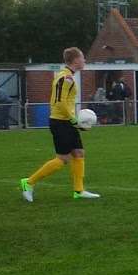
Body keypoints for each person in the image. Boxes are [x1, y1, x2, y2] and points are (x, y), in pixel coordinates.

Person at [20, 46, 98, 201]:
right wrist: (73, 120)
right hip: (61, 122)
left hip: (66, 121)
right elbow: (60, 102)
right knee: (62, 159)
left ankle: (79, 191)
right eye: (82, 57)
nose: (84, 60)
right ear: (75, 60)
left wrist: (74, 121)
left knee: (79, 153)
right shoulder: (66, 78)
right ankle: (28, 183)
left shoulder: (67, 76)